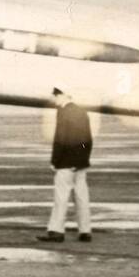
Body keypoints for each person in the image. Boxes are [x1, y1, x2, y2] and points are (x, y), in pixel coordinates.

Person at [41, 87, 93, 243]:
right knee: (82, 198)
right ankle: (85, 231)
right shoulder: (82, 112)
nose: (55, 100)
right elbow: (87, 141)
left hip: (65, 163)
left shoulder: (63, 112)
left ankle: (56, 231)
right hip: (80, 163)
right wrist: (82, 159)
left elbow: (60, 139)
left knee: (61, 198)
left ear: (63, 95)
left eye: (56, 97)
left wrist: (55, 161)